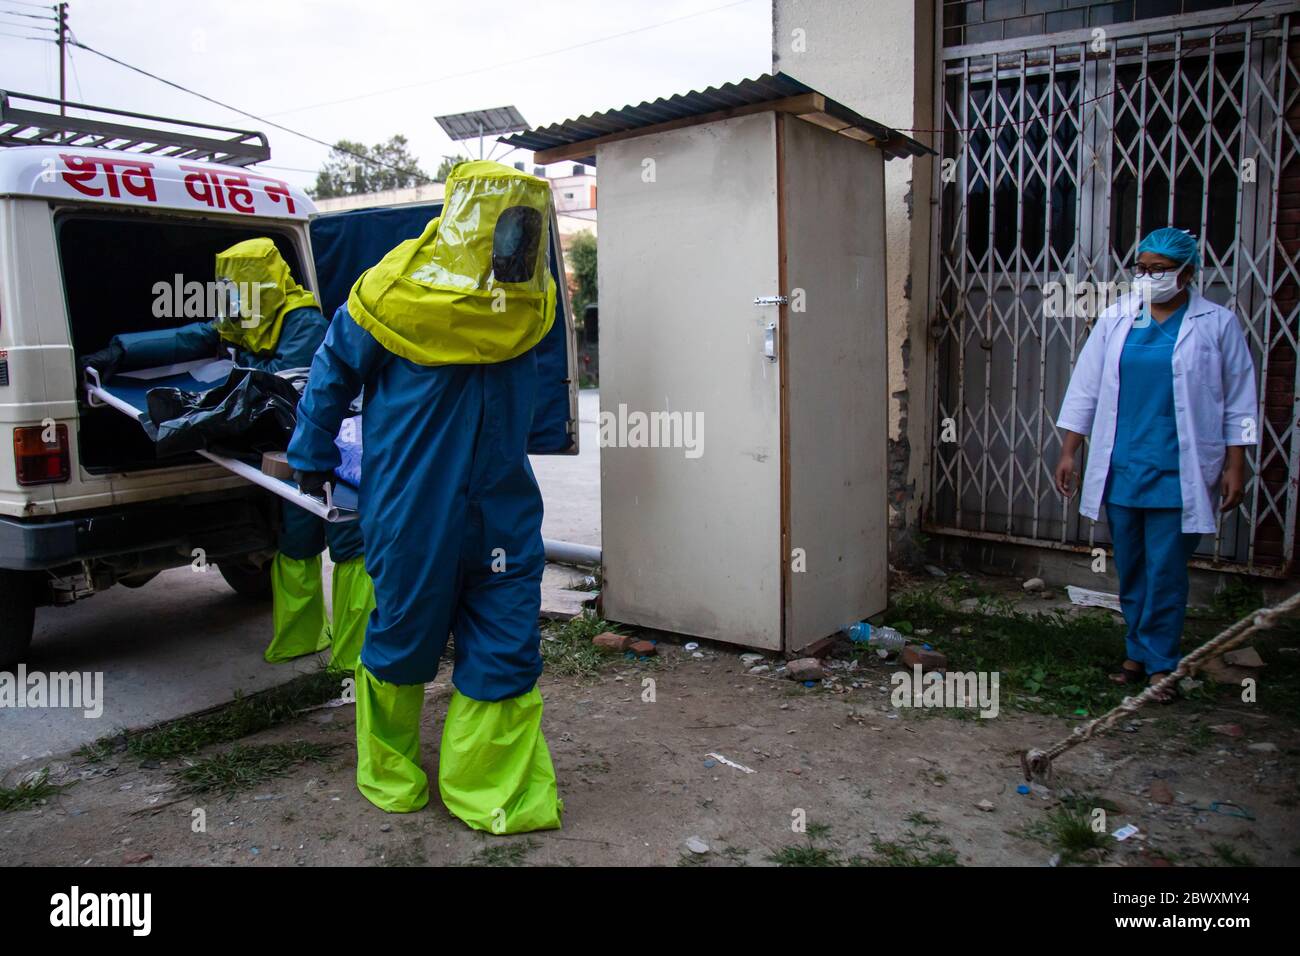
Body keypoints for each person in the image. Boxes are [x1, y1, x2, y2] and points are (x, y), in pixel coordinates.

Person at [285, 160, 563, 832]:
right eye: (510, 229)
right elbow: (331, 373)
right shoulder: (389, 294)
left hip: (503, 514)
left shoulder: (529, 302)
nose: (519, 245)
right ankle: (389, 769)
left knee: (507, 645)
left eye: (529, 229)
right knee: (404, 641)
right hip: (413, 513)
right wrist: (310, 454)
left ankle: (491, 791)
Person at [79, 237, 373, 672]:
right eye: (228, 287)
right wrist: (119, 352)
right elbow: (188, 337)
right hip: (284, 448)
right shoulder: (244, 320)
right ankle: (302, 636)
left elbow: (278, 387)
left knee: (346, 540)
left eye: (239, 286)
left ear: (264, 284)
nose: (231, 296)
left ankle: (354, 659)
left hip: (330, 447)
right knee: (296, 539)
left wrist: (206, 397)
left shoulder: (302, 323)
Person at [1054, 227, 1257, 702]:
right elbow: (1085, 388)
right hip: (1123, 464)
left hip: (1180, 469)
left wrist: (1235, 465)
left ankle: (1161, 663)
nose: (1147, 277)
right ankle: (1136, 652)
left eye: (1159, 269)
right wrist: (1069, 449)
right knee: (1132, 565)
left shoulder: (1217, 324)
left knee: (1167, 569)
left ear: (1186, 273)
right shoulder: (1117, 318)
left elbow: (1239, 401)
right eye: (1141, 268)